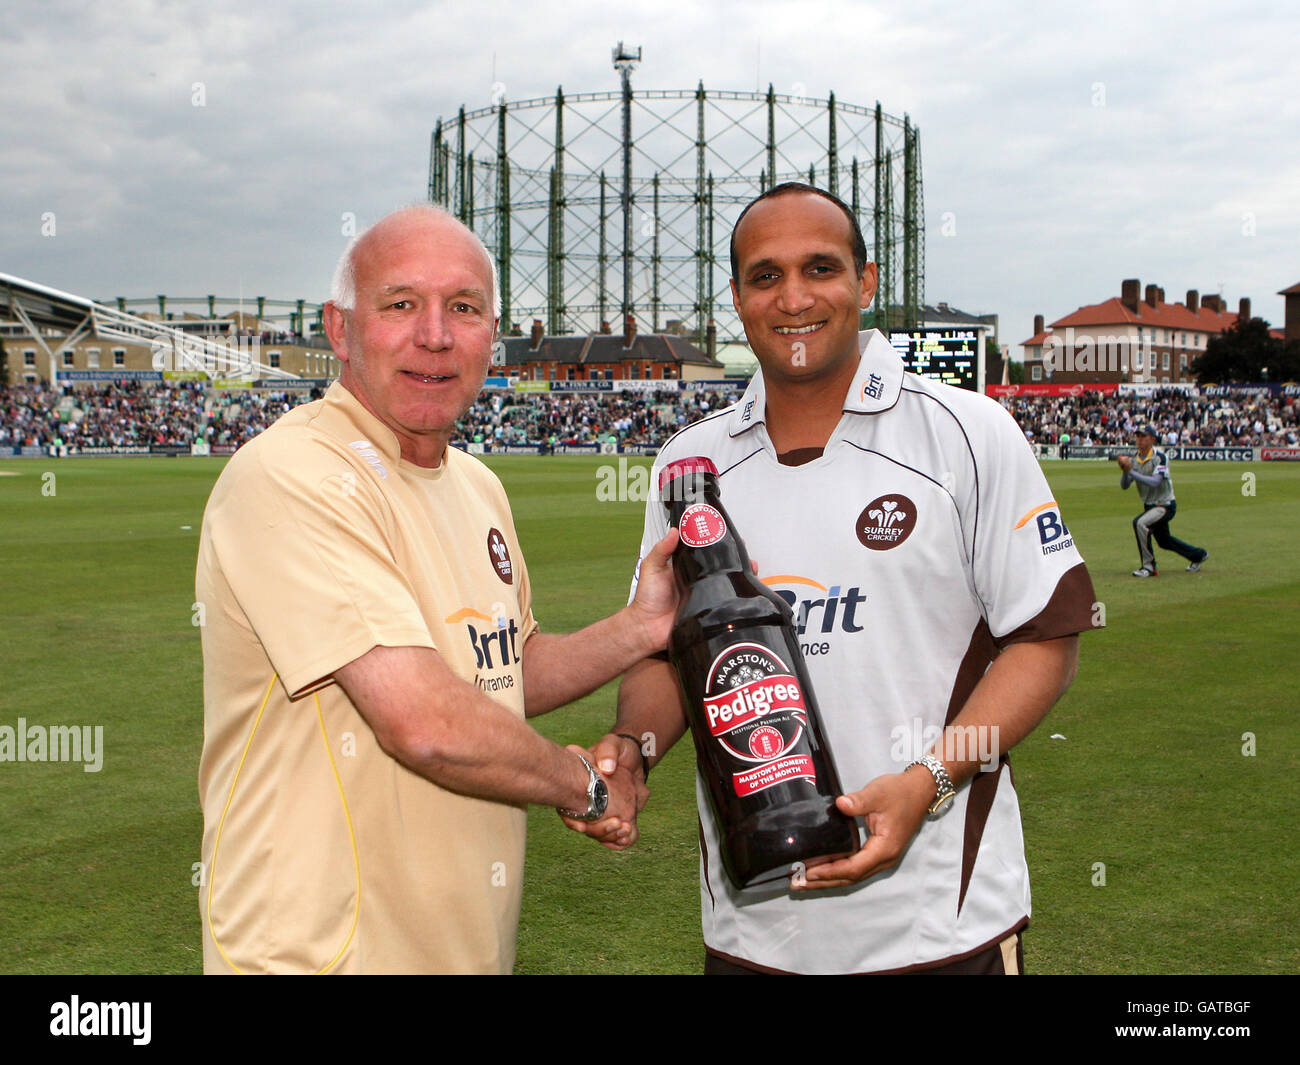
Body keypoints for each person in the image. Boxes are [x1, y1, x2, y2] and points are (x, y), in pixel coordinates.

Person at [573, 183, 1100, 974]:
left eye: (820, 268)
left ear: (867, 282)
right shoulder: (690, 466)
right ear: (737, 299)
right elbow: (668, 655)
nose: (794, 298)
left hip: (937, 929)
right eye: (765, 276)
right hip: (752, 935)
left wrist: (928, 779)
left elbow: (1045, 642)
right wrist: (633, 747)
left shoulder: (968, 433)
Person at [195, 205, 676, 974]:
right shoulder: (290, 476)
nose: (435, 335)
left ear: (493, 334)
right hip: (318, 959)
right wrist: (582, 784)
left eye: (463, 308)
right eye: (399, 304)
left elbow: (503, 672)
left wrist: (641, 627)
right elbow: (422, 720)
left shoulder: (477, 486)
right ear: (341, 329)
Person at [1117, 425, 1208, 577]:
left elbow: (1155, 482)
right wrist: (1125, 472)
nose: (1139, 439)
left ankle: (1148, 566)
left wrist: (1131, 471)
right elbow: (1125, 486)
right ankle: (1199, 555)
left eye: (1143, 436)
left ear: (1152, 439)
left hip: (1164, 505)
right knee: (1164, 541)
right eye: (1138, 436)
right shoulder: (1134, 458)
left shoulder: (1160, 457)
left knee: (1139, 523)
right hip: (1150, 506)